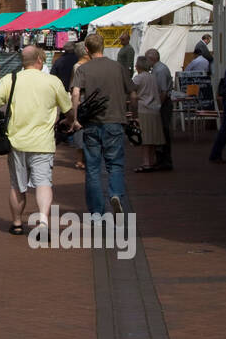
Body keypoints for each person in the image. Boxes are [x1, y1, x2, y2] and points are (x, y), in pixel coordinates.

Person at [0, 45, 75, 236]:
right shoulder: (52, 81)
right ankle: (42, 221)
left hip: (16, 141)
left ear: (22, 61)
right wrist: (70, 122)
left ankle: (17, 223)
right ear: (40, 60)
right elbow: (68, 111)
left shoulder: (11, 79)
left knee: (17, 185)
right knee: (43, 183)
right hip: (43, 142)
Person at [70, 31, 137, 215]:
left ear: (86, 49)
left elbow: (75, 93)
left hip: (91, 122)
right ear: (104, 47)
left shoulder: (83, 69)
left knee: (92, 168)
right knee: (115, 164)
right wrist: (134, 115)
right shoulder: (118, 67)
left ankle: (96, 211)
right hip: (115, 120)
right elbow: (132, 93)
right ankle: (115, 194)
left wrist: (75, 118)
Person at [131, 55, 165, 172]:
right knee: (153, 139)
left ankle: (146, 163)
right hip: (154, 109)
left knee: (144, 138)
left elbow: (132, 93)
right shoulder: (153, 77)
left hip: (143, 109)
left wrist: (133, 113)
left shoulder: (138, 78)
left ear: (138, 66)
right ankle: (151, 161)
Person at [146, 48, 174, 171]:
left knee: (163, 131)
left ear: (152, 59)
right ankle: (161, 159)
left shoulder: (160, 70)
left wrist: (158, 106)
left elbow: (163, 91)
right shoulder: (157, 69)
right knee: (160, 131)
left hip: (163, 104)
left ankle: (165, 160)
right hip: (160, 103)